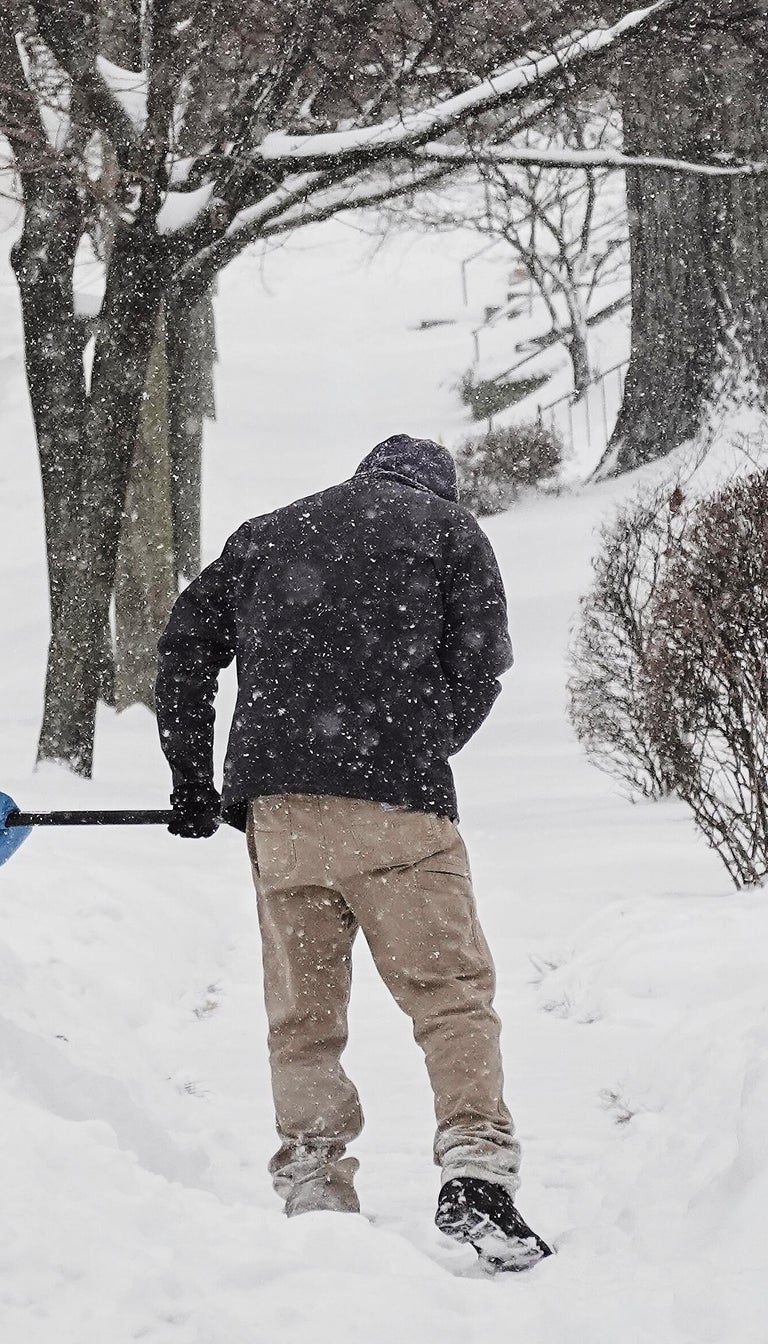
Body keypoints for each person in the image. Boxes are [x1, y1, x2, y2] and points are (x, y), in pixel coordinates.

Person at [154, 434, 552, 1273]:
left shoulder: (266, 533)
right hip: (398, 807)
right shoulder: (449, 530)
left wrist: (194, 779)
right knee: (450, 997)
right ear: (438, 489)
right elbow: (481, 663)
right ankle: (476, 1168)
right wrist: (418, 742)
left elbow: (184, 647)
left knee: (303, 1020)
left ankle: (313, 1184)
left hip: (283, 814)